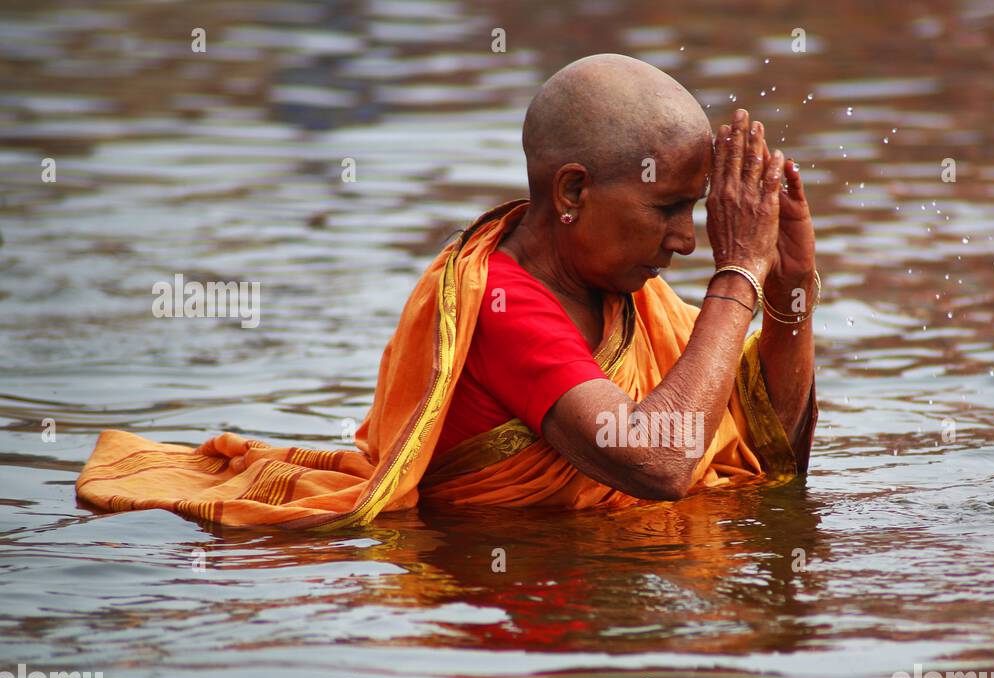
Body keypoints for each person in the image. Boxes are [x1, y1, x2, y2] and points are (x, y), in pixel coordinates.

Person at [75, 54, 819, 529]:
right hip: (514, 612)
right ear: (571, 191)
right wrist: (738, 277)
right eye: (667, 209)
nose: (689, 239)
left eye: (695, 211)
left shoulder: (629, 298)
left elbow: (769, 460)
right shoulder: (503, 303)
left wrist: (787, 291)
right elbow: (659, 462)